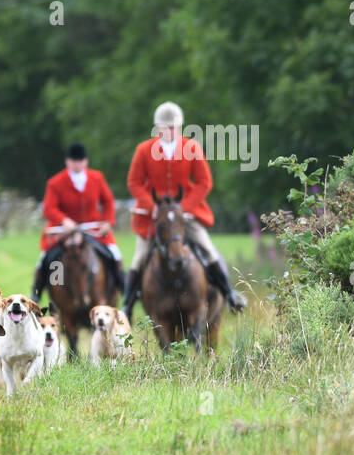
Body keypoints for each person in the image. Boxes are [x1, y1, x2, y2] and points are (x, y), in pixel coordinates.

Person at [122, 101, 247, 316]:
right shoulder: (143, 150)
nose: (169, 131)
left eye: (173, 127)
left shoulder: (192, 148)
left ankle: (229, 295)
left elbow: (204, 182)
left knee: (207, 249)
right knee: (139, 257)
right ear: (157, 127)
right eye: (165, 127)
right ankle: (127, 306)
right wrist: (152, 206)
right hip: (155, 217)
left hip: (186, 215)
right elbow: (134, 182)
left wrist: (184, 207)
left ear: (179, 127)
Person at [32, 143, 125, 302]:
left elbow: (108, 201)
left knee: (115, 255)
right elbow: (48, 208)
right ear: (67, 162)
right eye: (74, 161)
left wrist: (108, 222)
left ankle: (124, 291)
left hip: (93, 230)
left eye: (81, 161)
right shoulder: (55, 182)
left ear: (86, 162)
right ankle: (39, 293)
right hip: (63, 231)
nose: (78, 164)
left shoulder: (97, 178)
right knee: (47, 258)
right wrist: (64, 220)